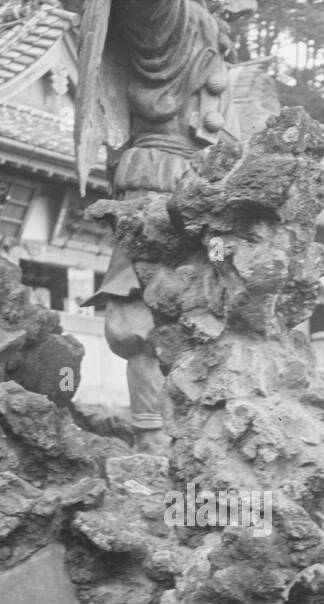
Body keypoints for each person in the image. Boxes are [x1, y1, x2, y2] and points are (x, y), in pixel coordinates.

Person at [73, 0, 256, 453]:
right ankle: (152, 433)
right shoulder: (180, 21)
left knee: (204, 311)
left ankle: (191, 433)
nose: (242, 14)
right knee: (140, 309)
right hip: (157, 176)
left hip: (205, 187)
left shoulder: (213, 38)